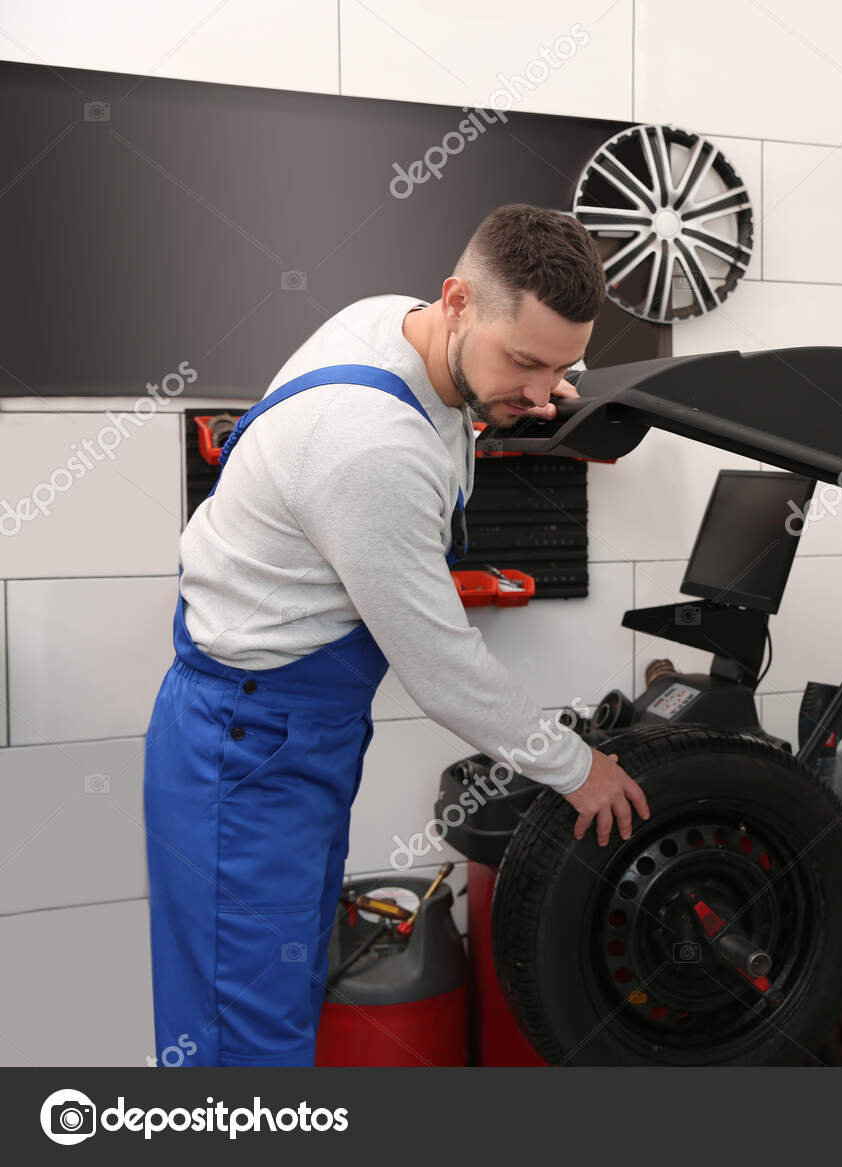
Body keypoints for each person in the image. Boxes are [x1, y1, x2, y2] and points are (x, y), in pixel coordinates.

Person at [142, 204, 648, 1067]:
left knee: (282, 999)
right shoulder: (369, 448)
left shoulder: (398, 322)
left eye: (558, 366)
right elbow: (442, 668)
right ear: (458, 301)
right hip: (248, 747)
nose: (539, 391)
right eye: (524, 363)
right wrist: (578, 768)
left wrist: (548, 373)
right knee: (243, 1045)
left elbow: (520, 352)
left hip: (289, 732)